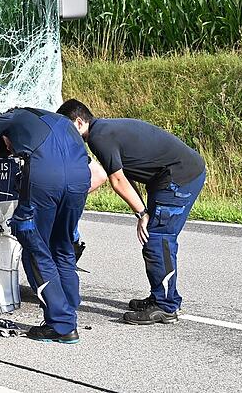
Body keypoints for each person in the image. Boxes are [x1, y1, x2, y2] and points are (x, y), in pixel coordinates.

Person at [0, 107, 98, 343]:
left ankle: (61, 326)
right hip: (80, 178)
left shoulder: (13, 117)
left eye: (6, 144)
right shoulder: (61, 120)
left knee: (35, 245)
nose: (9, 149)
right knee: (62, 246)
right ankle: (69, 312)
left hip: (45, 178)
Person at [58, 99, 207, 326]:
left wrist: (141, 215)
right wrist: (142, 209)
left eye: (67, 128)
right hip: (170, 177)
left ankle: (165, 307)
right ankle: (160, 296)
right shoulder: (105, 130)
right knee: (156, 238)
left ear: (79, 122)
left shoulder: (99, 137)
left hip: (179, 177)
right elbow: (125, 174)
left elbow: (117, 181)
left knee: (158, 239)